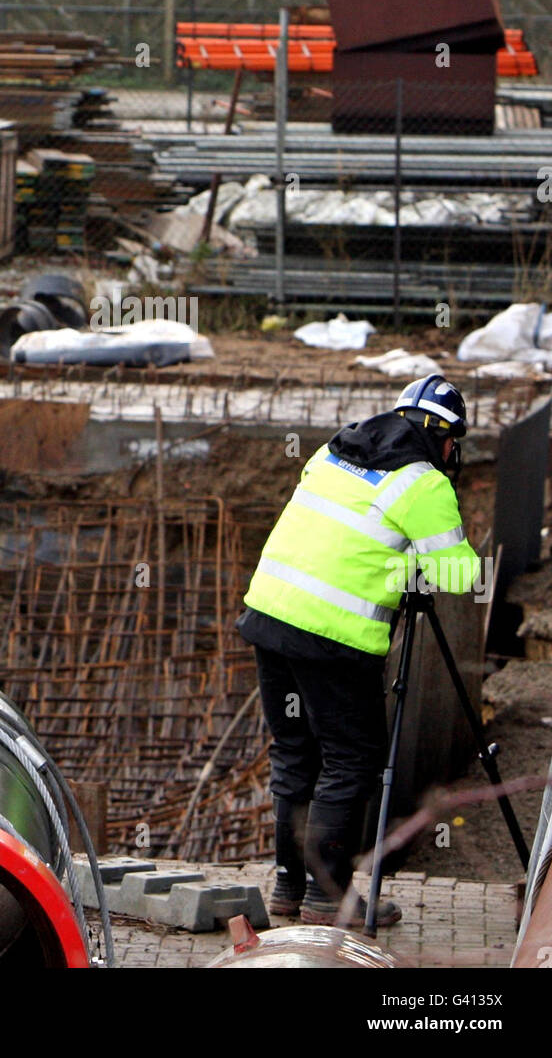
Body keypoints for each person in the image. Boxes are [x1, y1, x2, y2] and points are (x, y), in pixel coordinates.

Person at [237, 375, 480, 927]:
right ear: (446, 440)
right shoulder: (424, 484)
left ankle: (288, 886)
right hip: (333, 638)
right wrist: (410, 561)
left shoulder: (333, 450)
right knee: (349, 761)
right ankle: (329, 898)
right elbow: (458, 573)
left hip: (270, 616)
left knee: (296, 753)